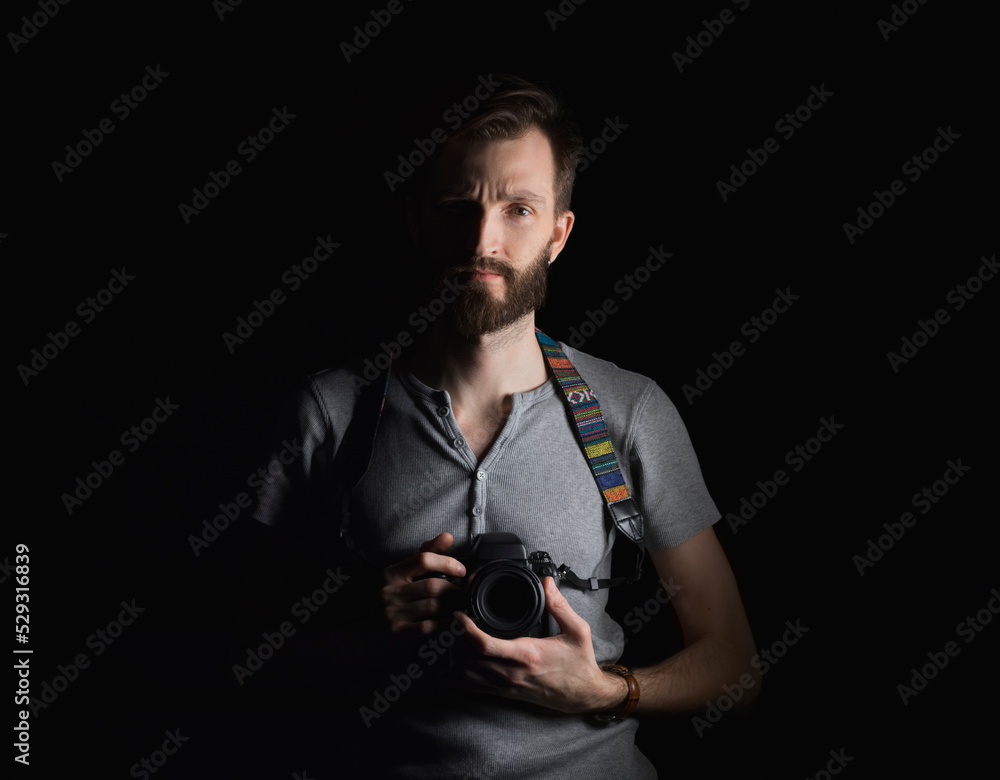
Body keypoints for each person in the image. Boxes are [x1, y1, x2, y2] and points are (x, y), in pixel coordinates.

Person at [244, 74, 759, 779]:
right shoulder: (334, 411)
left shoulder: (628, 411)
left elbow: (735, 666)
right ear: (418, 220)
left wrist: (607, 690)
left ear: (557, 233)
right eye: (459, 207)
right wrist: (355, 617)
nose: (483, 240)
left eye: (518, 209)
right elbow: (235, 656)